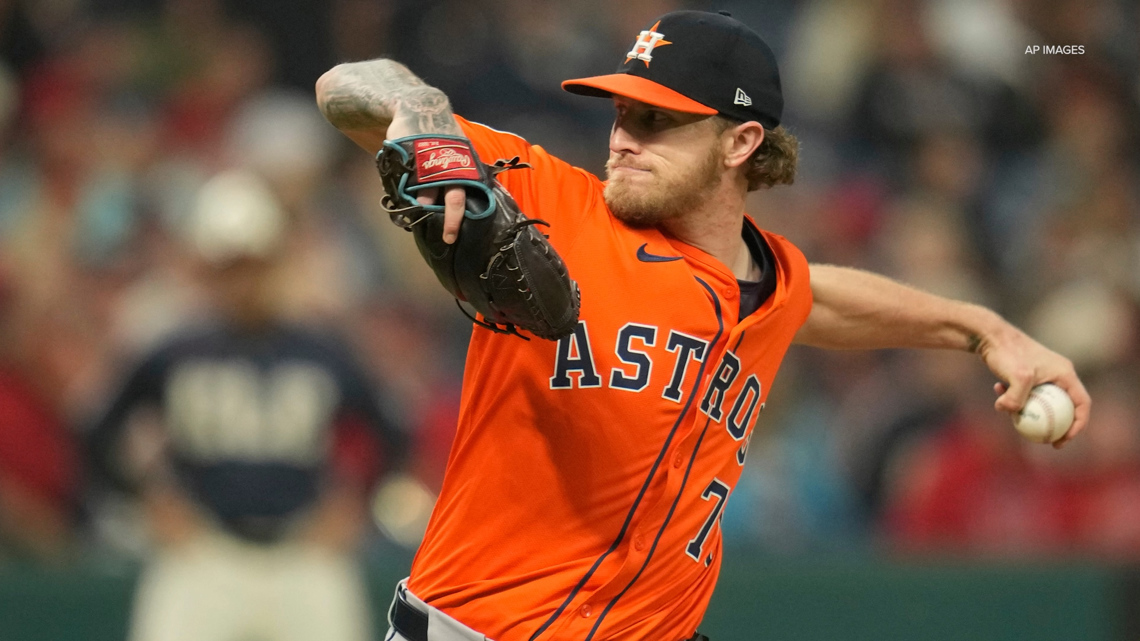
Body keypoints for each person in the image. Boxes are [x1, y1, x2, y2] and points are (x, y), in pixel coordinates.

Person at [316, 10, 1091, 641]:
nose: (623, 136)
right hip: (475, 629)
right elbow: (346, 87)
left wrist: (985, 327)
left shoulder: (773, 280)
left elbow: (820, 298)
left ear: (741, 141)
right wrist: (426, 114)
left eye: (656, 120)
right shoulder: (555, 201)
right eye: (622, 112)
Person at [86, 169, 408, 641]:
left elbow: (393, 431)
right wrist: (148, 501)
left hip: (302, 552)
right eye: (228, 266)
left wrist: (352, 505)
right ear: (205, 268)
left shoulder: (320, 350)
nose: (242, 281)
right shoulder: (175, 350)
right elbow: (98, 431)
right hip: (203, 552)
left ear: (276, 262)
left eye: (252, 264)